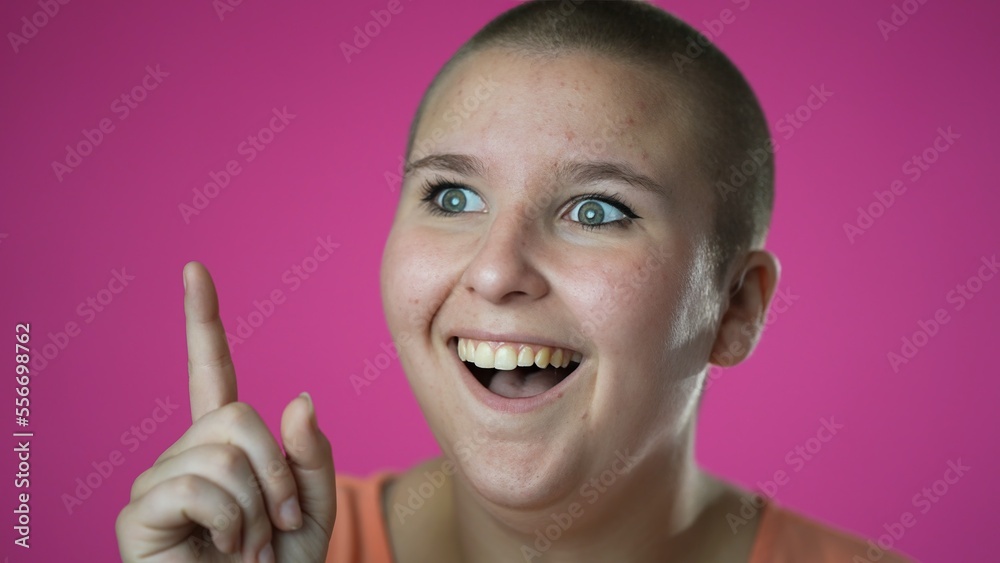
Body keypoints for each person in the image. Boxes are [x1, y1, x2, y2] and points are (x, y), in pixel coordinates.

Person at [116, 1, 914, 561]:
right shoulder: (256, 552)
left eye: (597, 211)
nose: (496, 270)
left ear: (735, 307)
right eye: (452, 196)